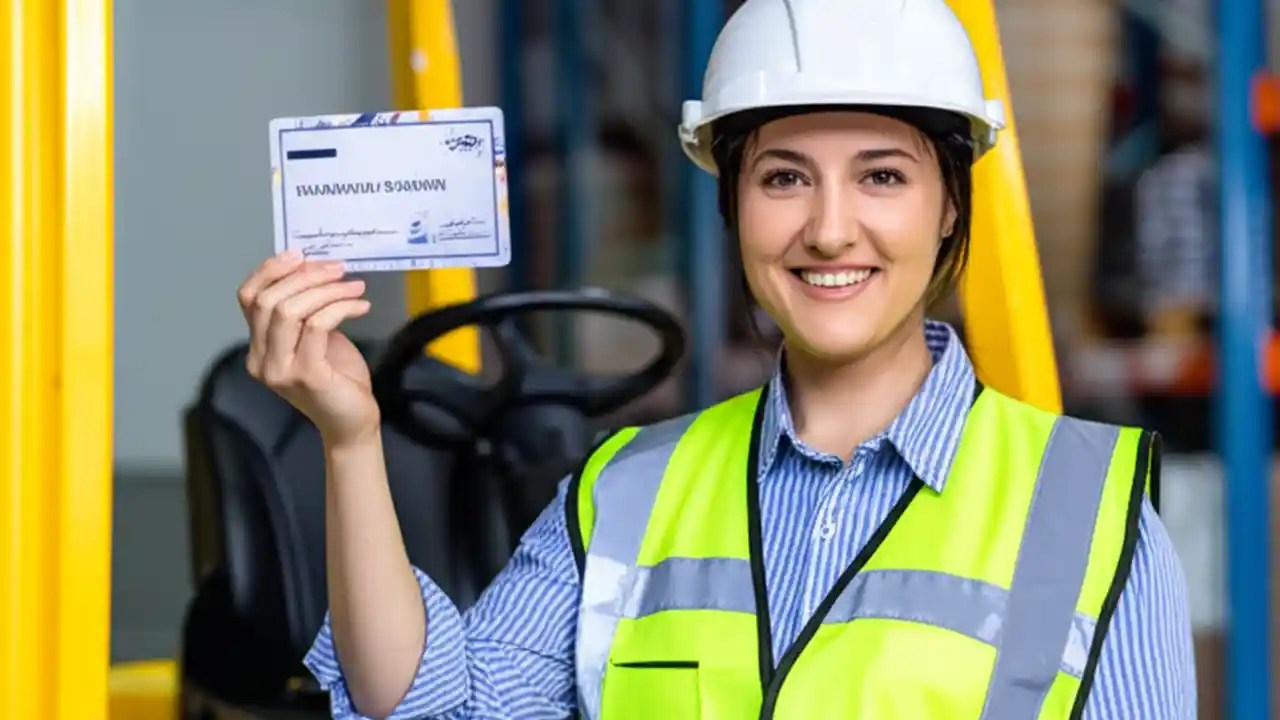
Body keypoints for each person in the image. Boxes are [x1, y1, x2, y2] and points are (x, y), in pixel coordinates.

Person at [235, 0, 1196, 717]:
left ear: (950, 205)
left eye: (883, 177)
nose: (829, 229)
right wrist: (352, 444)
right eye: (784, 177)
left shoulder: (1092, 512)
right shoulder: (625, 495)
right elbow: (437, 707)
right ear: (734, 204)